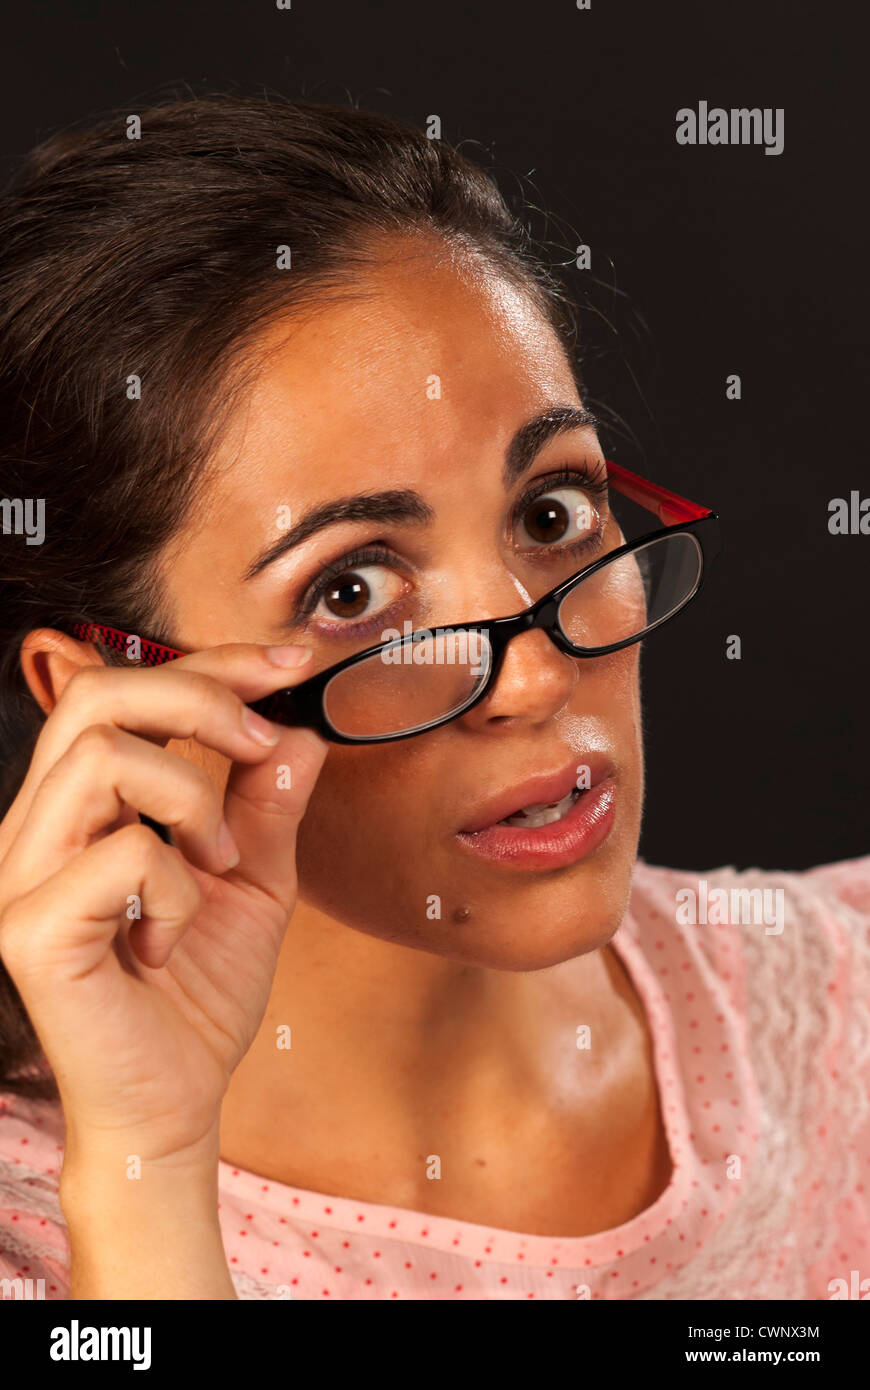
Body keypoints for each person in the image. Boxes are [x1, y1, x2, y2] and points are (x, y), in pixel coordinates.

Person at [0, 91, 867, 1302]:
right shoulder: (43, 1245)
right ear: (106, 689)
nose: (532, 674)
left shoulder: (849, 997)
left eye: (552, 512)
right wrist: (148, 1164)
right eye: (352, 589)